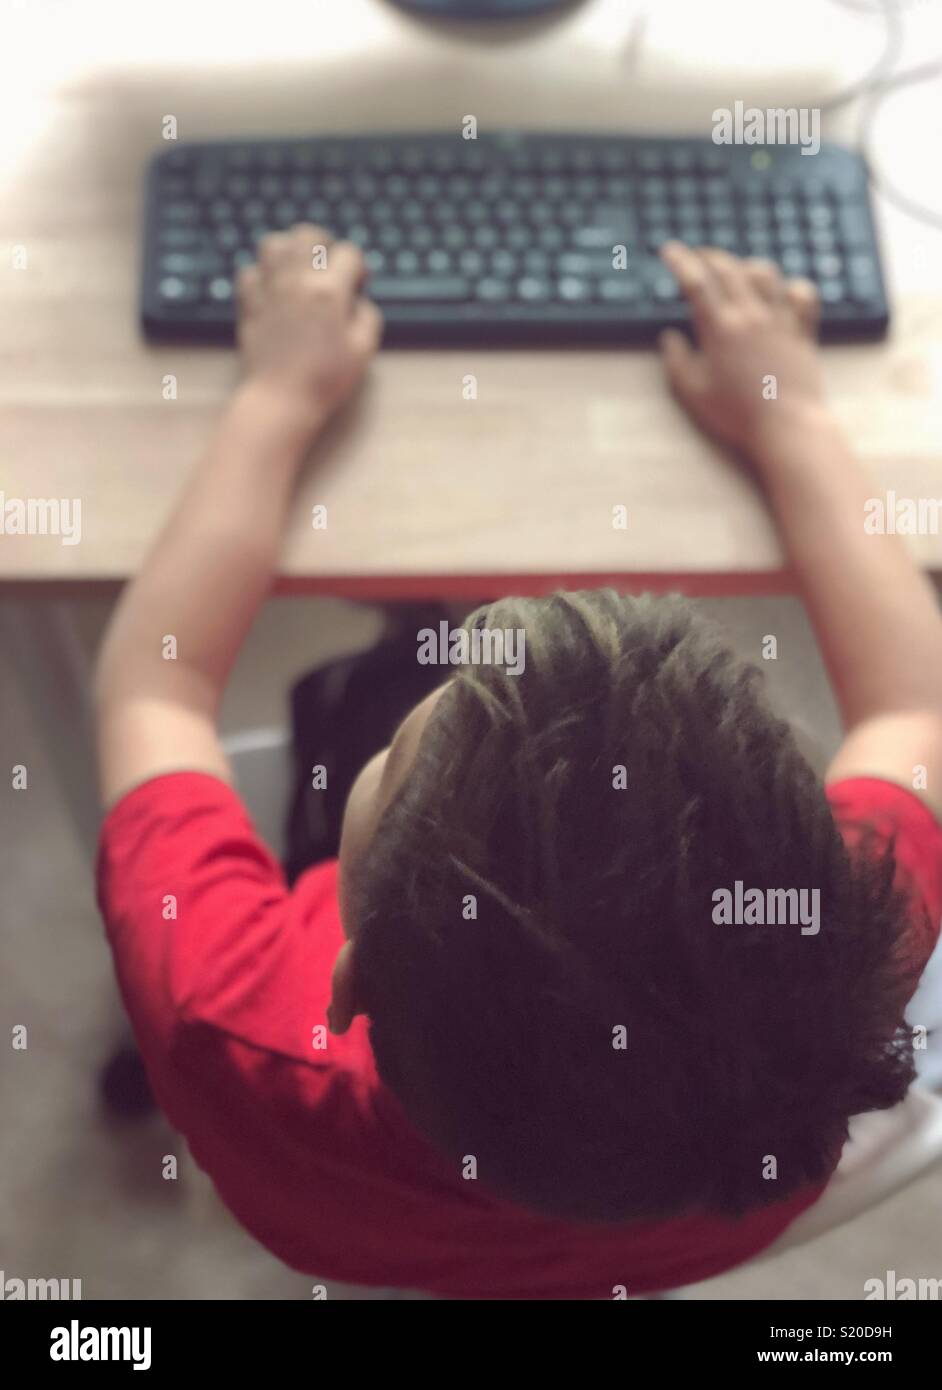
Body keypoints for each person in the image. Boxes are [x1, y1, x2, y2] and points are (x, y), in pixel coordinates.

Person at [94, 230, 942, 1298]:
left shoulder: (235, 1022)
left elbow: (151, 687)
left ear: (344, 985)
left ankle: (403, 645)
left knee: (375, 681)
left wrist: (277, 396)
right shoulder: (833, 967)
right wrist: (793, 413)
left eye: (414, 744)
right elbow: (915, 704)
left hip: (346, 1211)